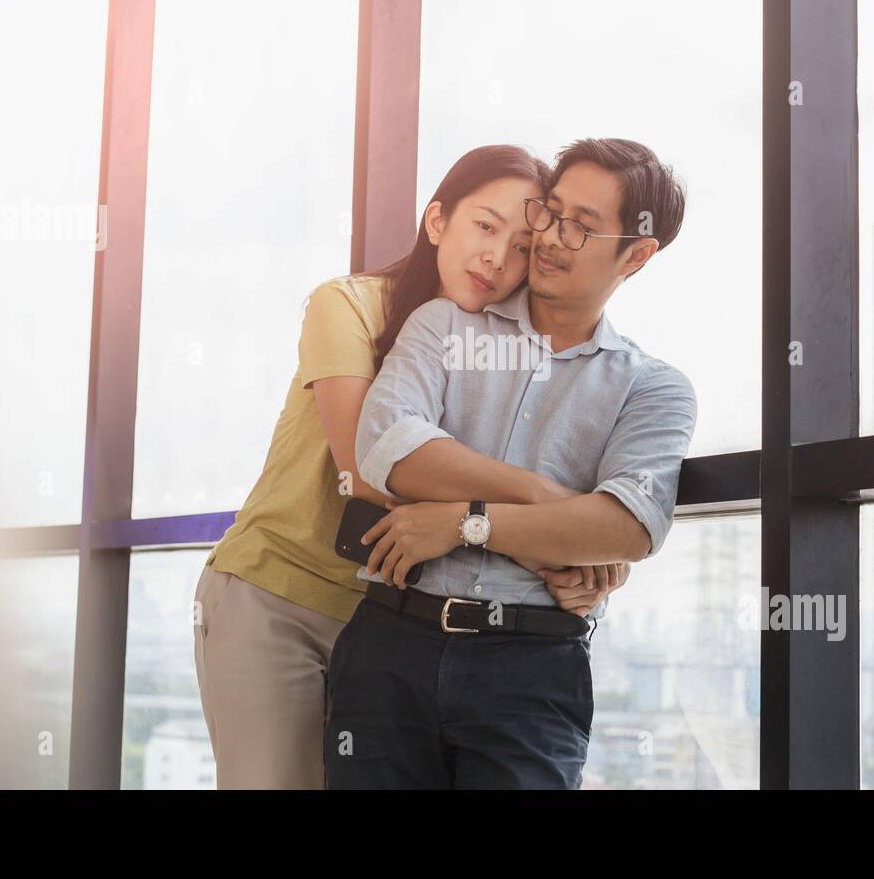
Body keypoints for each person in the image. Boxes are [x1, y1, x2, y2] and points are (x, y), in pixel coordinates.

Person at [192, 144, 632, 789]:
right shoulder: (346, 305)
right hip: (277, 594)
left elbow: (477, 501)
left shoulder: (509, 354)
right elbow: (372, 473)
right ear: (436, 222)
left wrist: (588, 549)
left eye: (520, 246)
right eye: (485, 226)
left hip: (392, 624)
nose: (496, 257)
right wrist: (560, 525)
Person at [325, 138, 697, 789]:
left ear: (636, 255)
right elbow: (386, 446)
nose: (551, 237)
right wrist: (560, 510)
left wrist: (463, 523)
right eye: (549, 213)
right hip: (390, 646)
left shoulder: (654, 388)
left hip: (532, 670)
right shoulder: (443, 325)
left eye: (581, 228)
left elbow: (628, 528)